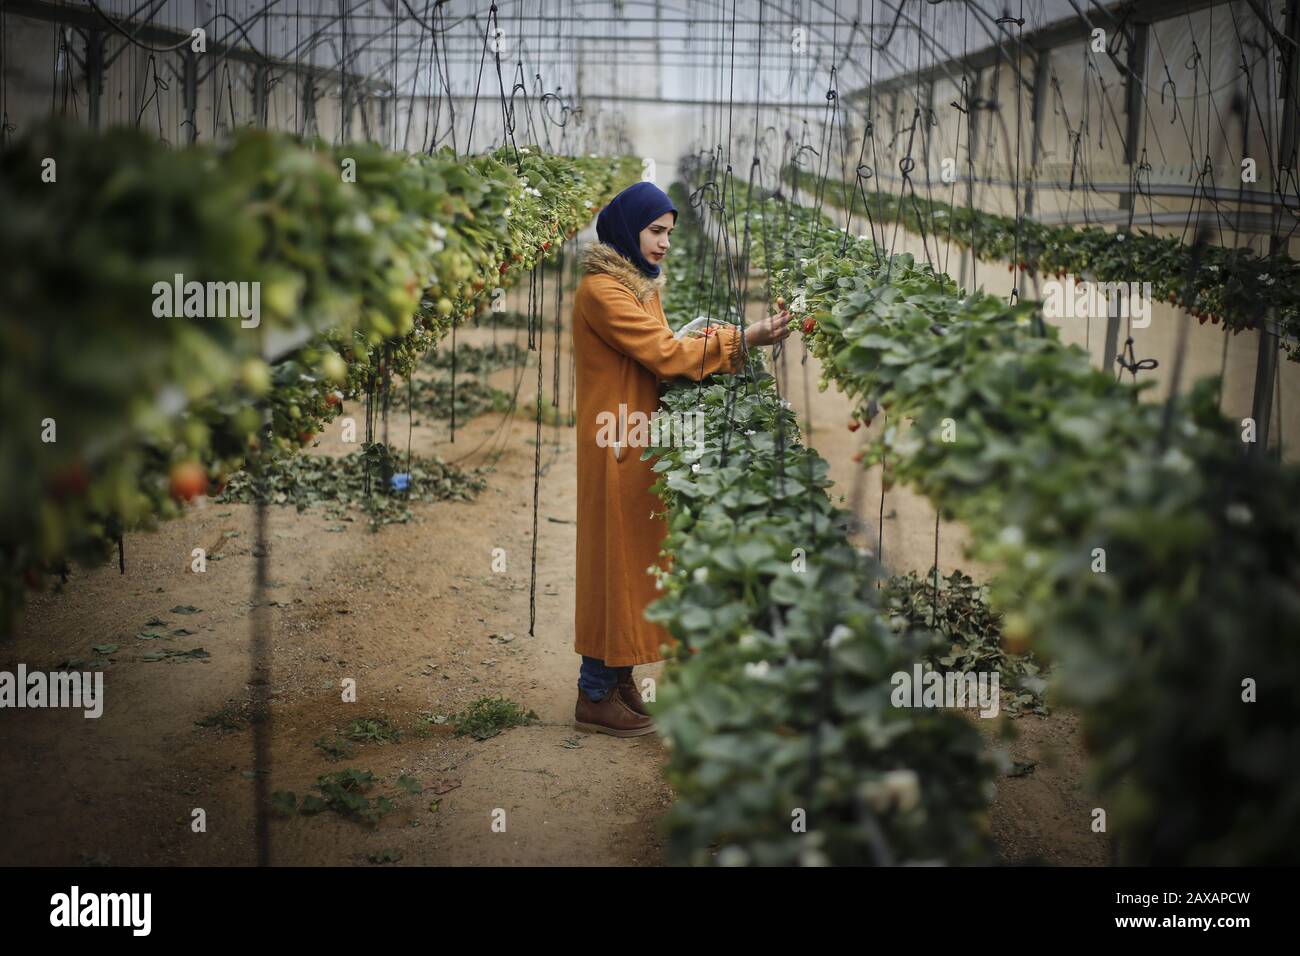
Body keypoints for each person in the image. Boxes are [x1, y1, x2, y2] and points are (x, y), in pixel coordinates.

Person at [570, 180, 792, 737]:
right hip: (615, 441)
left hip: (636, 433)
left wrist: (711, 337)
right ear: (628, 230)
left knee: (631, 562)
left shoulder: (637, 284)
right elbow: (665, 354)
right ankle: (593, 693)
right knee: (614, 562)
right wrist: (744, 339)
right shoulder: (603, 290)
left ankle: (616, 680)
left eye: (669, 232)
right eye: (656, 231)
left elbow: (660, 344)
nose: (665, 243)